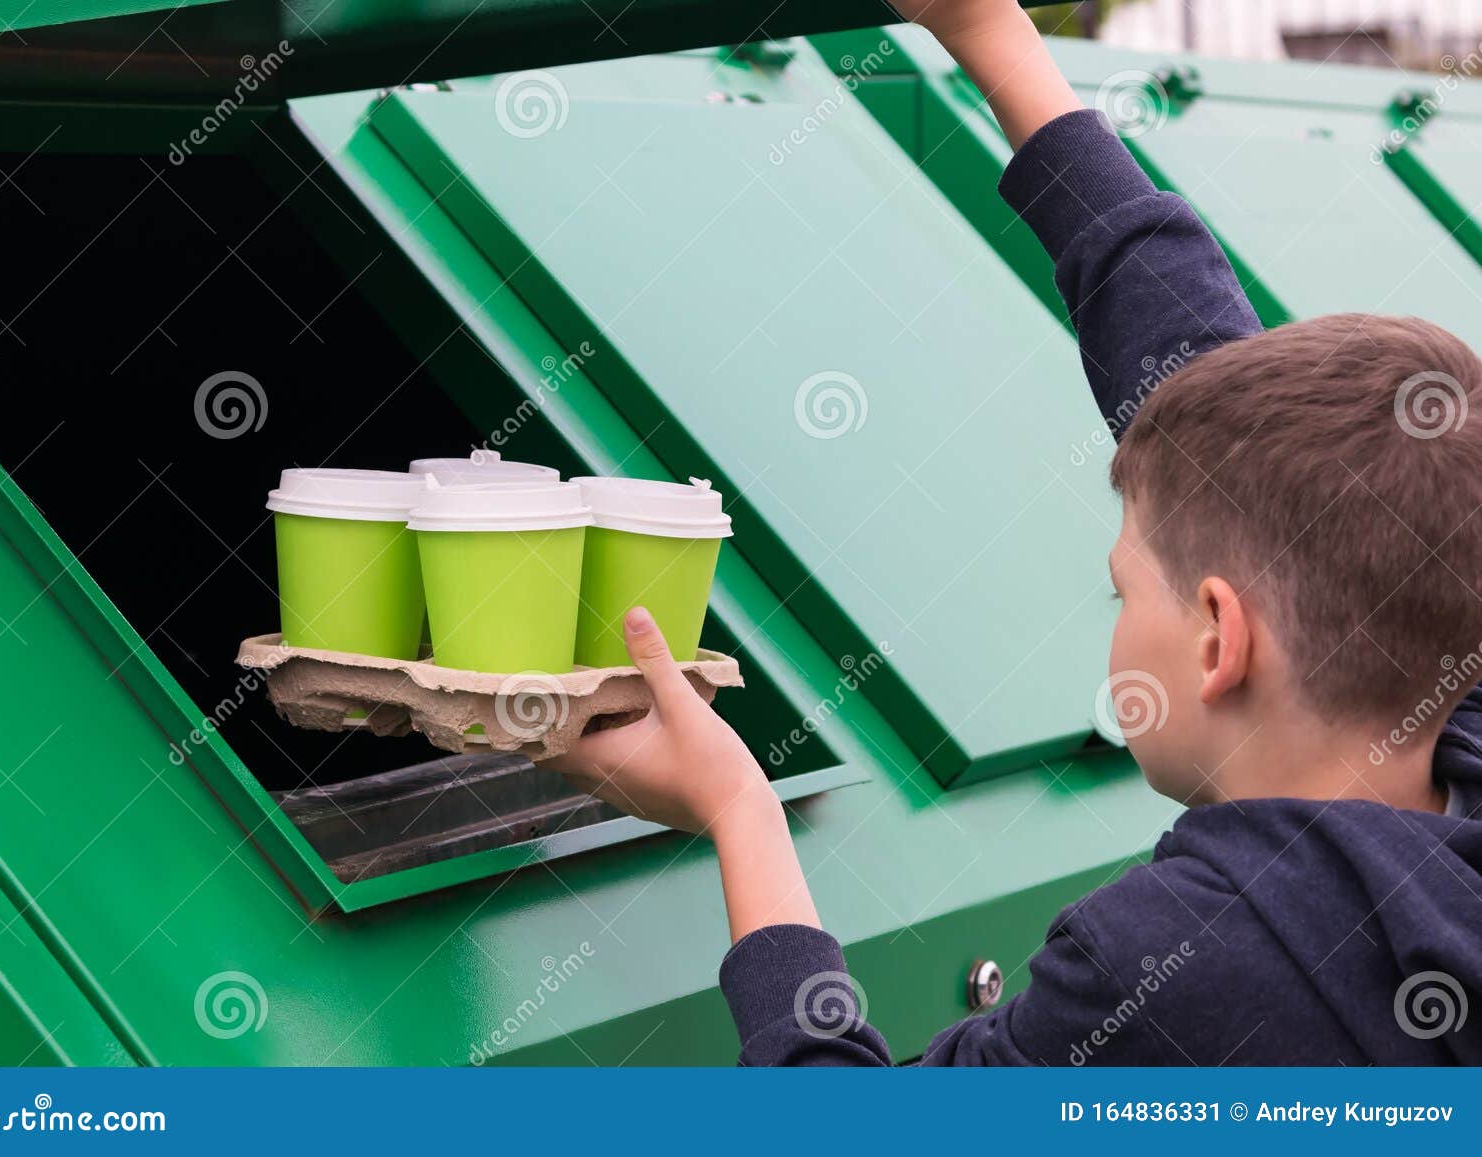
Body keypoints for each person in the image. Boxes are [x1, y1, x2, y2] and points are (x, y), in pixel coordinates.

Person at [550, 0, 1482, 1064]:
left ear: (1220, 638)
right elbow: (1220, 394)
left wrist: (736, 806)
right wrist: (993, 39)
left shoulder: (1168, 969)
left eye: (1122, 587)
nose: (1118, 610)